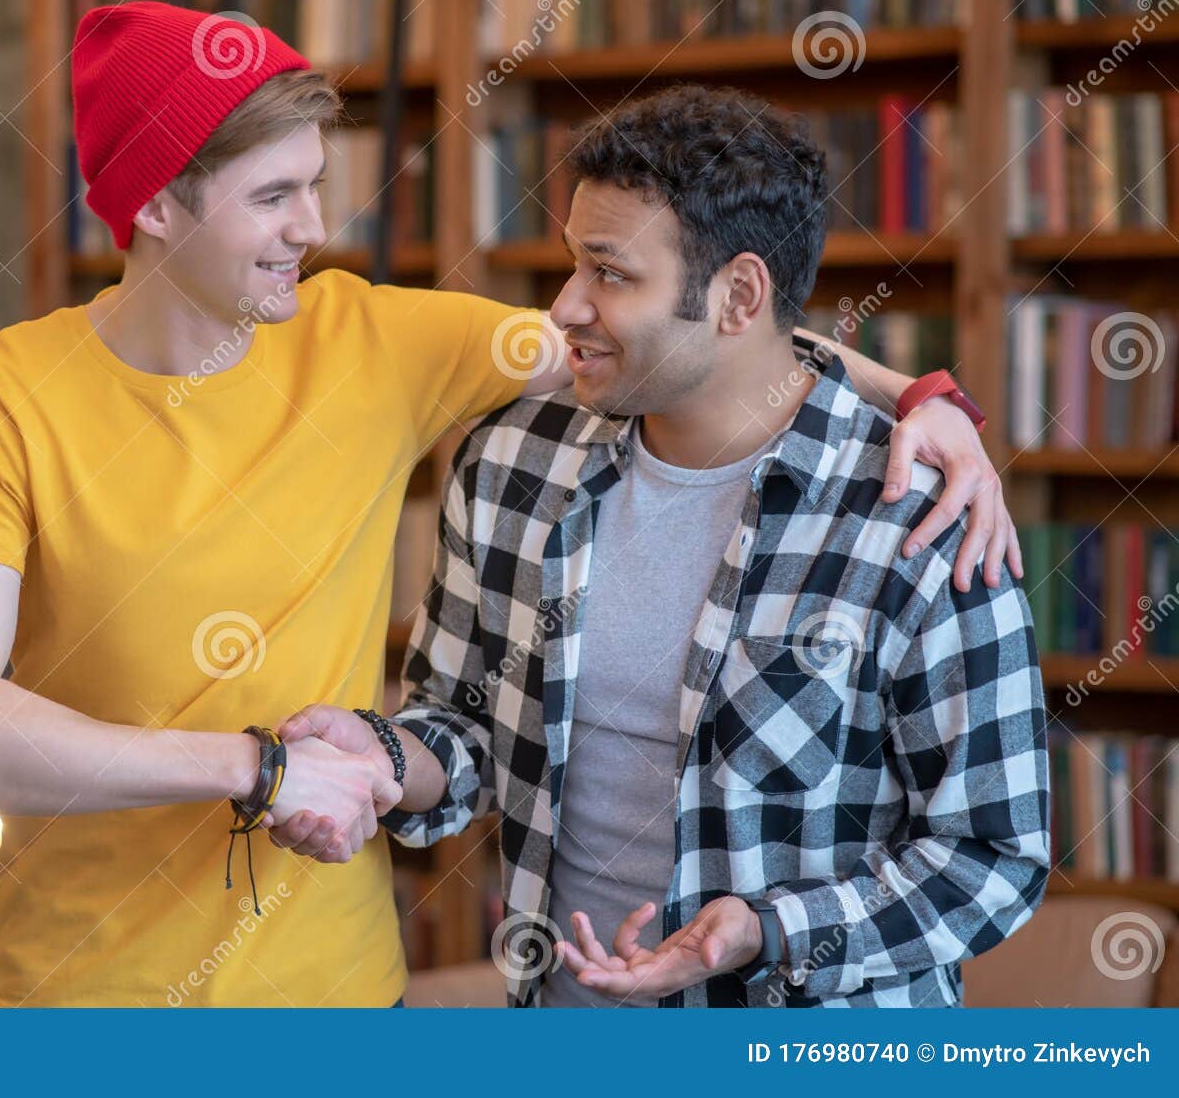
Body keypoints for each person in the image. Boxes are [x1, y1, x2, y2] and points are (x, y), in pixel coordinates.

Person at [0, 2, 1018, 1008]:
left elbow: (700, 339)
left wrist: (923, 395)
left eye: (316, 183)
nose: (314, 227)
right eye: (274, 194)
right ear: (159, 207)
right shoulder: (3, 393)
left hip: (342, 996)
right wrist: (271, 765)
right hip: (82, 1000)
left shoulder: (373, 339)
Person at [274, 84, 1049, 1009]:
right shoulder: (515, 457)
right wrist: (386, 758)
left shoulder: (911, 517)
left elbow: (992, 856)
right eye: (572, 263)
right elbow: (466, 721)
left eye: (610, 272)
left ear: (738, 296)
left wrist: (766, 929)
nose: (564, 307)